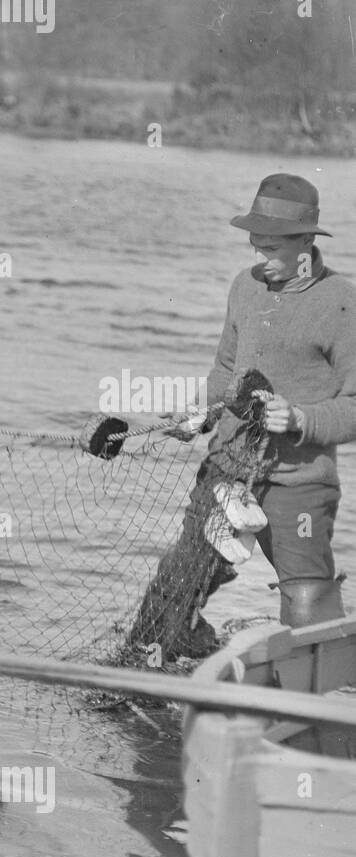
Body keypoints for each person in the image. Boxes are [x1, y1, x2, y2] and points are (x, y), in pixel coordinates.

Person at [132, 173, 356, 654]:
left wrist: (300, 419)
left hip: (298, 482)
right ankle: (156, 663)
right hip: (226, 470)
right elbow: (226, 372)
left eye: (270, 248)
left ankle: (326, 696)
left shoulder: (341, 302)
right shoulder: (244, 287)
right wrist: (199, 413)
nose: (258, 258)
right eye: (254, 244)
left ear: (305, 243)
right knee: (178, 580)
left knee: (306, 599)